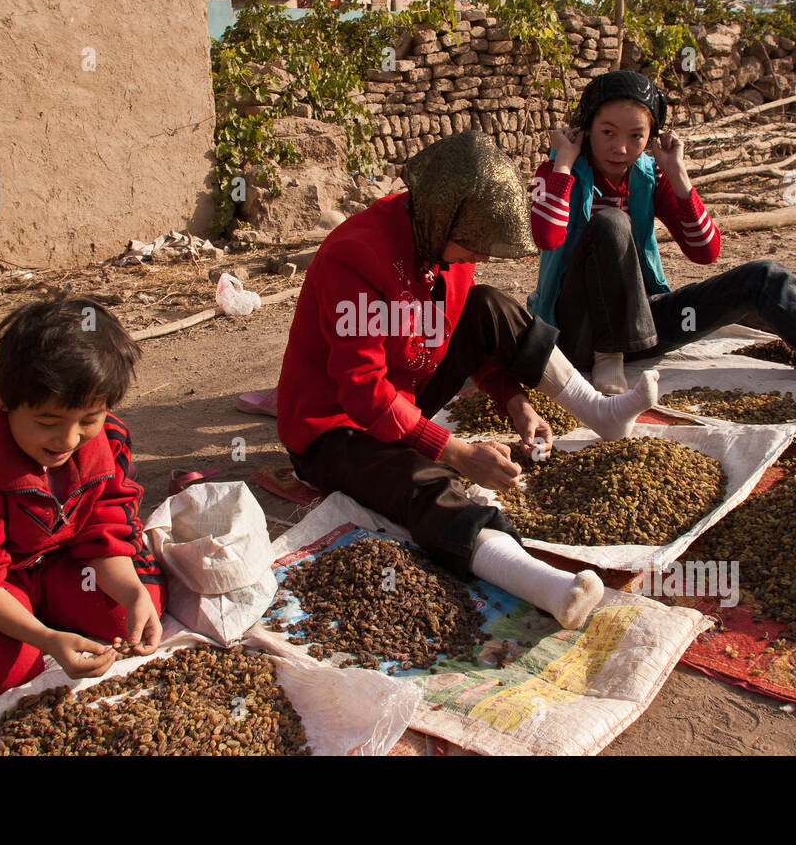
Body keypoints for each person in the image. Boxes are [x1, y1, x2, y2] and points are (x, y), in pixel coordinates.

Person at [277, 132, 662, 631]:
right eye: (471, 246)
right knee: (415, 477)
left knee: (489, 305)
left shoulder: (445, 238)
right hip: (334, 427)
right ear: (444, 215)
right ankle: (538, 581)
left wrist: (514, 401)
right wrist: (455, 452)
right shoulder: (354, 258)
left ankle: (599, 411)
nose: (472, 256)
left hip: (405, 392)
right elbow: (363, 390)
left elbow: (454, 326)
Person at [528, 70, 796, 401]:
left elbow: (705, 252)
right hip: (576, 334)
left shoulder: (648, 176)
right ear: (586, 128)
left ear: (651, 138)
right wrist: (564, 163)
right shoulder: (558, 171)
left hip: (644, 327)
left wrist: (677, 173)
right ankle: (609, 354)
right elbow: (546, 238)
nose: (621, 148)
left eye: (635, 136)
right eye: (608, 132)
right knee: (612, 223)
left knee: (764, 277)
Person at [0, 297, 166, 697]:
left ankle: (43, 613)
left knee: (135, 610)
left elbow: (106, 531)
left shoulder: (110, 441)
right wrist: (46, 638)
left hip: (62, 562)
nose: (68, 439)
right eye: (47, 421)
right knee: (0, 665)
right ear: (3, 397)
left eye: (88, 420)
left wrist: (131, 594)